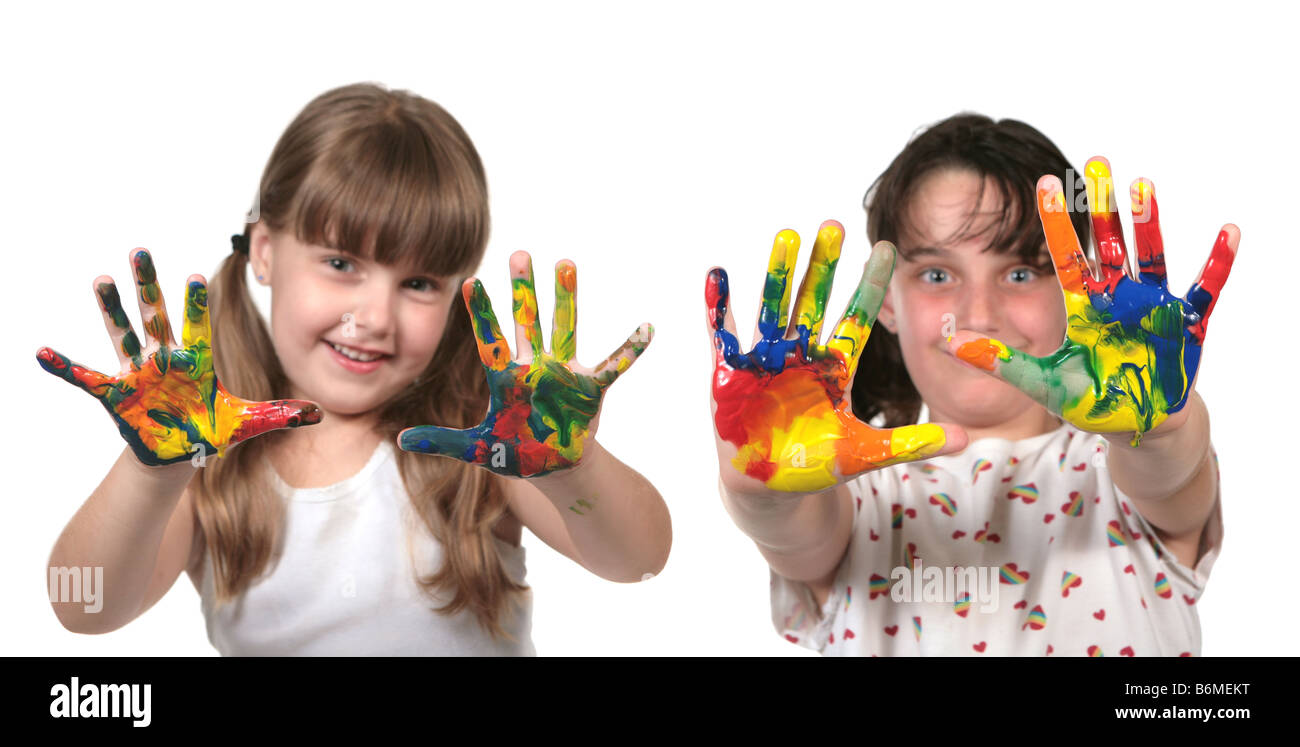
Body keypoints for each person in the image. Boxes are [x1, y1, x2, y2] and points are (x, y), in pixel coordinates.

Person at [42, 82, 671, 655]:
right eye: (341, 264)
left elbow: (638, 560)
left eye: (419, 282)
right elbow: (84, 608)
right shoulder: (206, 458)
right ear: (265, 251)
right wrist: (153, 468)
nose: (374, 316)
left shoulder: (483, 443)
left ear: (458, 292)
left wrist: (573, 465)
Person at [707, 113, 1234, 656]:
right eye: (938, 275)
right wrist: (763, 486)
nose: (978, 313)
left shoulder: (1120, 474)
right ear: (888, 303)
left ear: (1079, 286)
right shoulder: (854, 494)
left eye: (1021, 273)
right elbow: (792, 532)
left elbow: (1170, 478)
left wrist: (1161, 429)